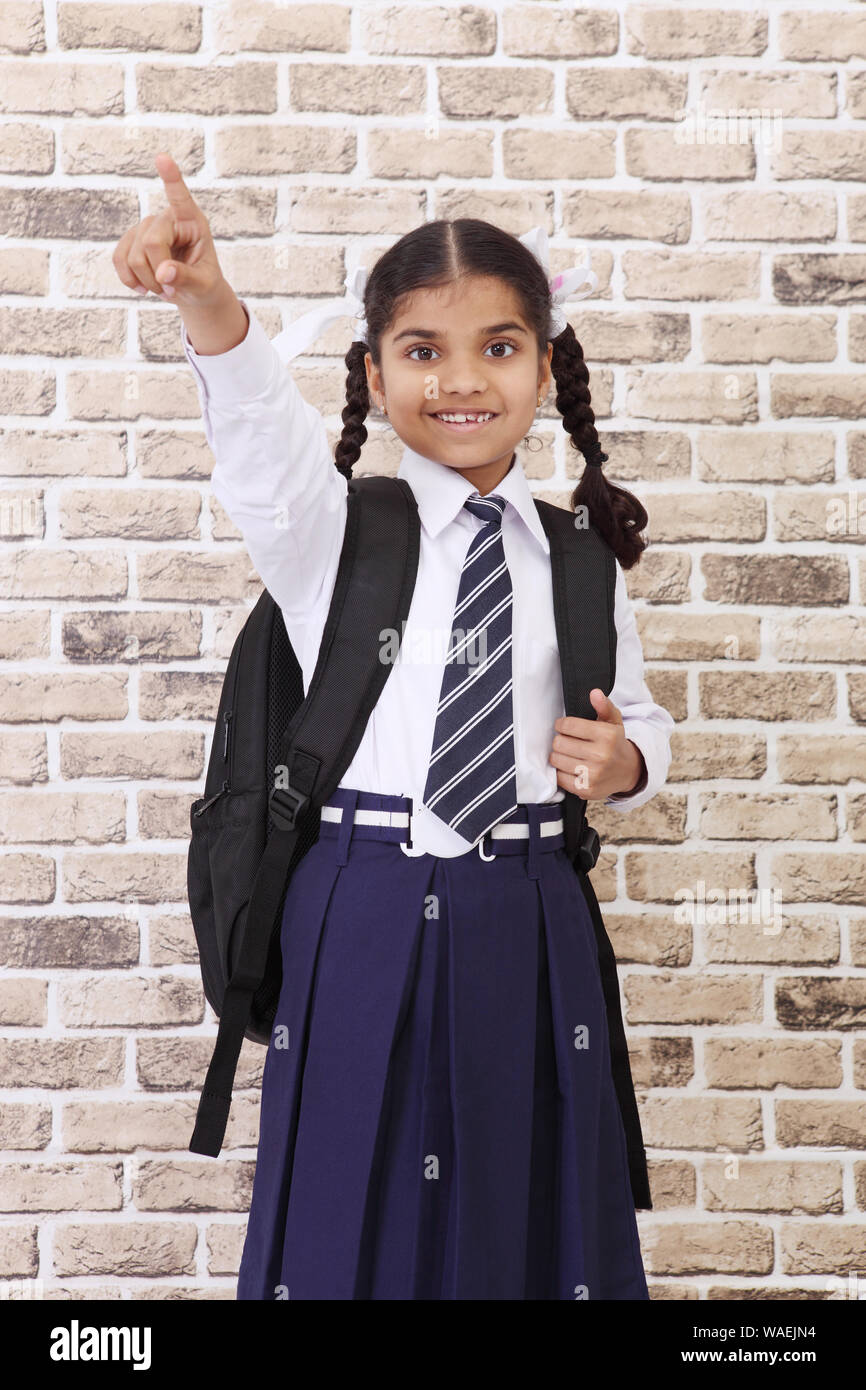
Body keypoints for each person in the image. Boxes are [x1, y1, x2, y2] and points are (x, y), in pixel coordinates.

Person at [113, 152, 675, 1300]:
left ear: (543, 366)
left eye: (497, 348)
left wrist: (625, 761)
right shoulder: (333, 536)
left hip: (529, 907)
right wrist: (206, 299)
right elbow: (259, 433)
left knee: (526, 1210)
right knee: (349, 1209)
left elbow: (643, 715)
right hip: (361, 897)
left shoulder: (577, 554)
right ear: (374, 372)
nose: (461, 380)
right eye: (423, 351)